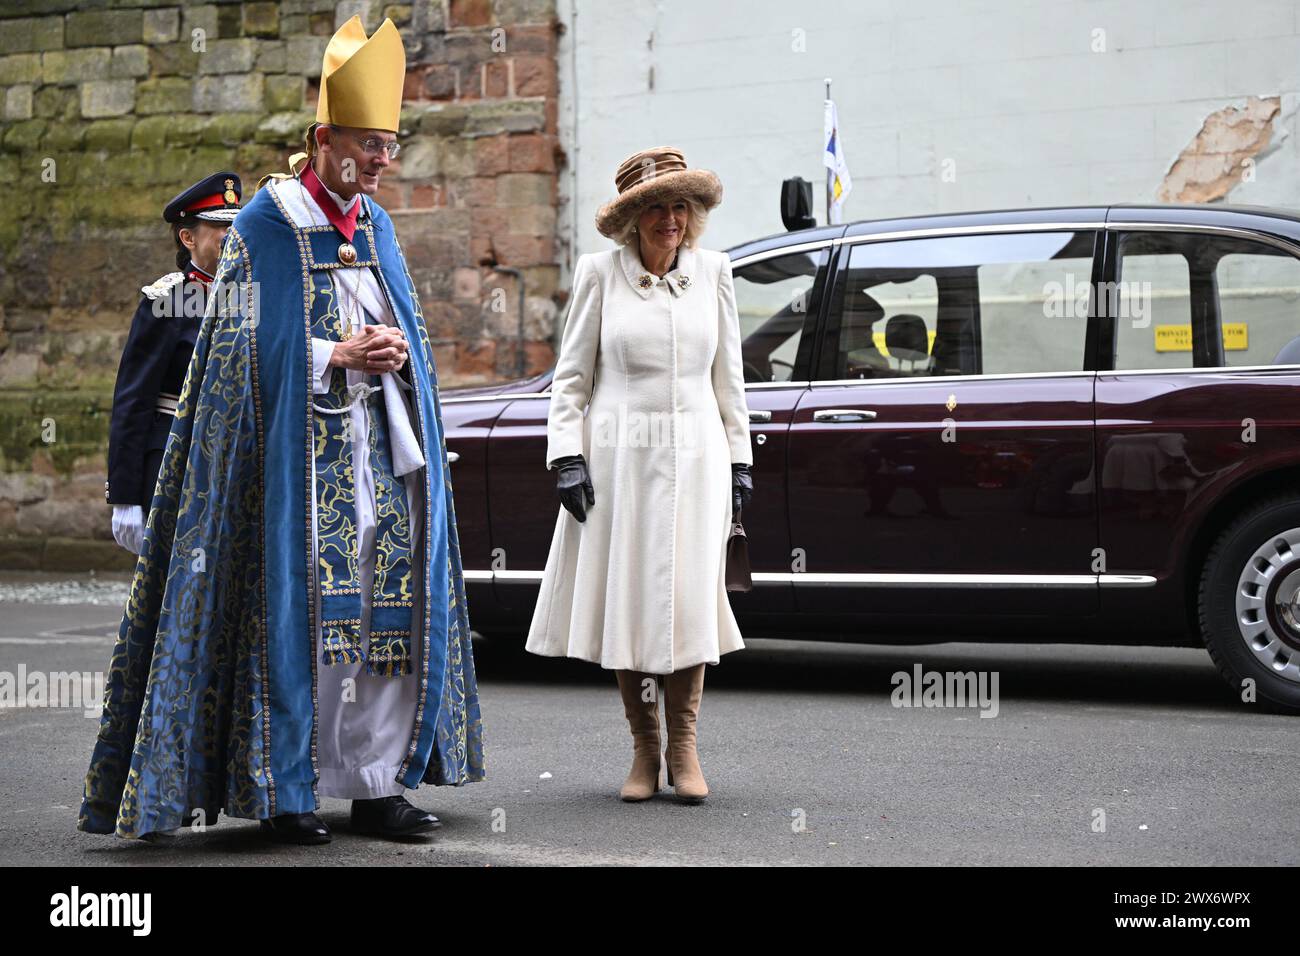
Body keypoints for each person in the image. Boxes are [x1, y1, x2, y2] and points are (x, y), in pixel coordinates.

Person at [79, 15, 485, 846]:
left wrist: (399, 349)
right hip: (294, 465)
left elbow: (404, 324)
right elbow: (234, 352)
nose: (382, 161)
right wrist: (336, 351)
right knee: (301, 624)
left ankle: (377, 787)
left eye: (391, 144)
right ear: (324, 137)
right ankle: (290, 788)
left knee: (385, 620)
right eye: (370, 145)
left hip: (383, 454)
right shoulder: (267, 221)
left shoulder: (376, 226)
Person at [524, 146, 754, 803]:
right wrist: (566, 455)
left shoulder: (715, 272)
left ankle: (683, 746)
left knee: (688, 603)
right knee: (628, 601)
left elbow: (729, 380)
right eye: (656, 207)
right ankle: (643, 749)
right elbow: (569, 380)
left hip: (698, 460)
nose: (670, 219)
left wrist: (740, 461)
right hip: (619, 460)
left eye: (680, 205)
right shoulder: (601, 274)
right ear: (632, 219)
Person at [106, 173, 241, 553]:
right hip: (172, 458)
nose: (230, 233)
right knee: (172, 588)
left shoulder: (251, 297)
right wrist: (124, 495)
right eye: (218, 225)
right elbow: (133, 399)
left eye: (235, 224)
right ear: (189, 237)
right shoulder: (168, 299)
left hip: (234, 458)